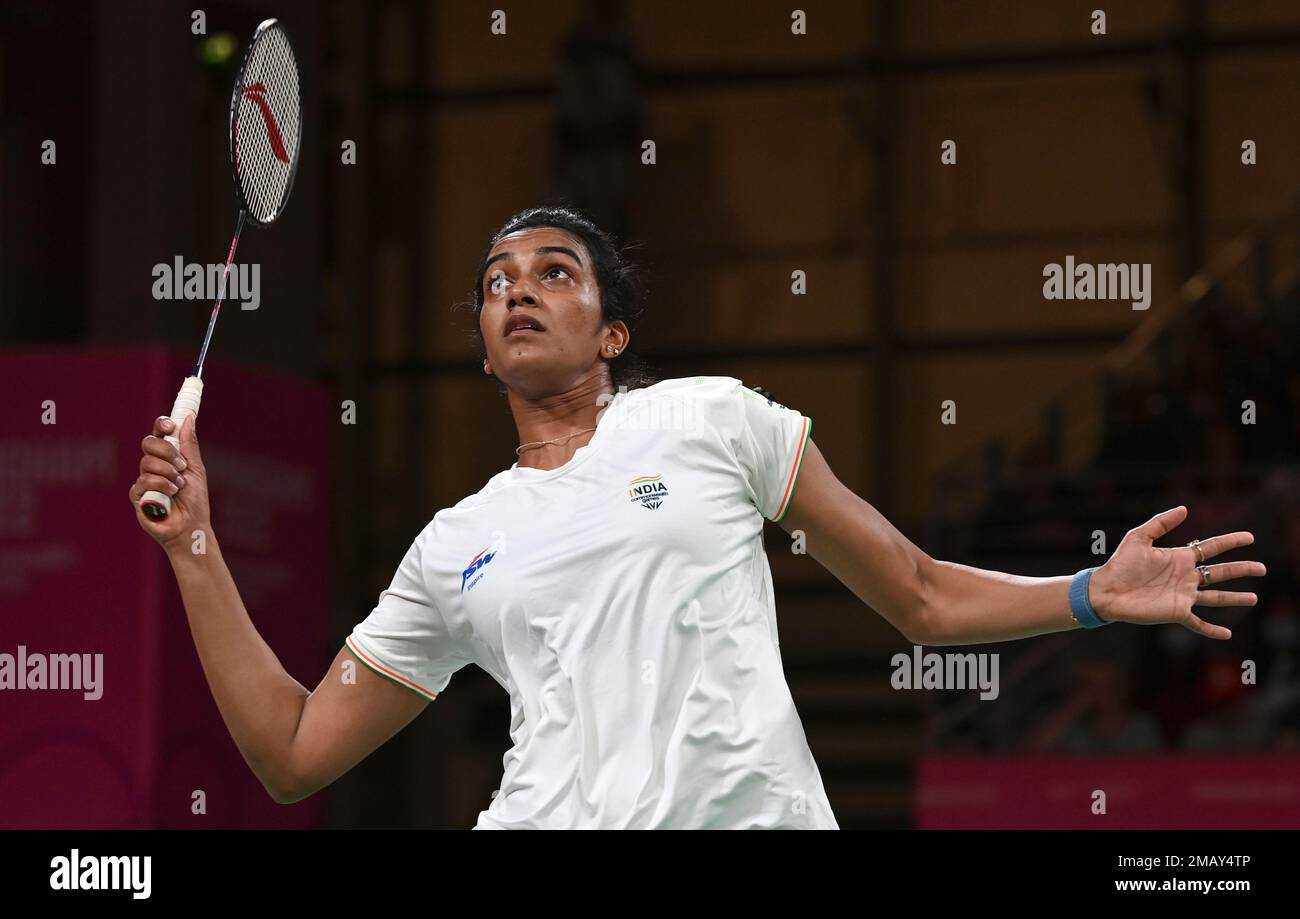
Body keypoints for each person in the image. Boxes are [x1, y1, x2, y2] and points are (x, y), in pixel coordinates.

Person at [129, 205, 1267, 829]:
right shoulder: (453, 542)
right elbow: (292, 753)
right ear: (482, 346)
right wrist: (194, 548)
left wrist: (1084, 594)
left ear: (612, 332)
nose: (518, 288)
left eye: (555, 271)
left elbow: (916, 594)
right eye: (495, 280)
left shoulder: (716, 422)